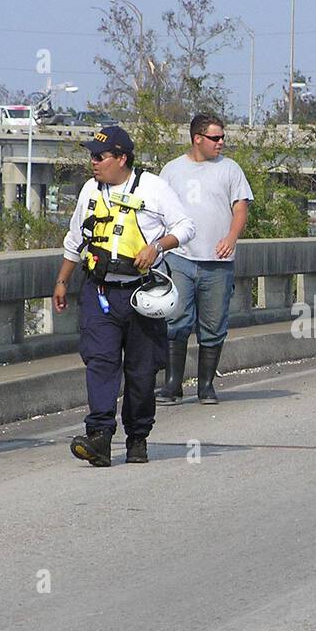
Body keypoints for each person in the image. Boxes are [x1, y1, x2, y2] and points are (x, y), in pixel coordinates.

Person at [53, 126, 195, 466]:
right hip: (99, 292)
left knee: (142, 370)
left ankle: (138, 437)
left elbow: (186, 226)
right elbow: (75, 239)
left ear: (122, 158)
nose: (93, 162)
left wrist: (158, 246)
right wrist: (62, 281)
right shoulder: (90, 190)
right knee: (100, 362)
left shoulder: (154, 188)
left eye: (99, 157)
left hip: (142, 294)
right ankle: (99, 436)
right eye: (91, 155)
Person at [157, 114, 253, 405]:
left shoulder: (230, 170)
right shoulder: (172, 170)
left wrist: (231, 238)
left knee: (213, 324)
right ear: (197, 138)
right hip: (180, 258)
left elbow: (240, 209)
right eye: (215, 138)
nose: (221, 143)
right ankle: (173, 384)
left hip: (217, 262)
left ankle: (206, 384)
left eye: (223, 137)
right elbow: (158, 210)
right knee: (176, 319)